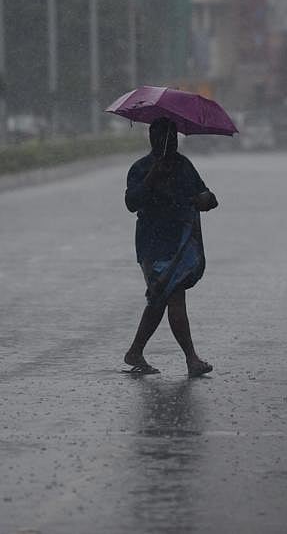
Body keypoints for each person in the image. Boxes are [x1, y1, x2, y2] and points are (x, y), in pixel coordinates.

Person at [124, 117, 218, 377]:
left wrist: (206, 199)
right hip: (154, 245)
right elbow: (132, 202)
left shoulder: (184, 166)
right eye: (164, 137)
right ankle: (191, 359)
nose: (170, 142)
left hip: (181, 242)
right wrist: (153, 176)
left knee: (160, 298)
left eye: (173, 137)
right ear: (153, 139)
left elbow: (207, 197)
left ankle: (135, 351)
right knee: (173, 295)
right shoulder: (141, 168)